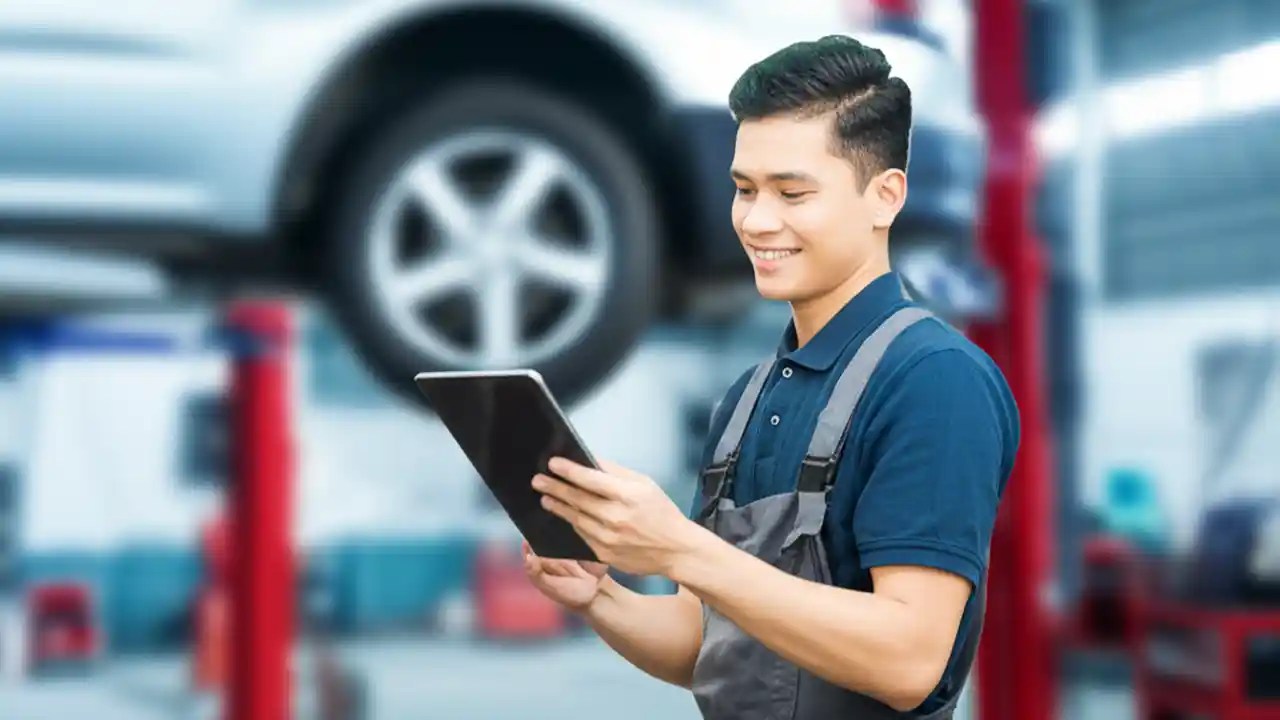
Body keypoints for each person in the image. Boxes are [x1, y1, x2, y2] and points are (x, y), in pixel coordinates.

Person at [525, 34, 1018, 719]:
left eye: (792, 192)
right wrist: (599, 596)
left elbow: (909, 658)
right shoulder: (747, 401)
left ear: (885, 196)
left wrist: (677, 548)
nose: (757, 221)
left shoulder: (933, 382)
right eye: (743, 189)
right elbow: (704, 644)